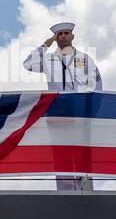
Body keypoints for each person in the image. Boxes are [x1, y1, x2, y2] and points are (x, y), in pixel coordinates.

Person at [23, 21, 102, 190]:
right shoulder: (48, 59)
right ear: (55, 38)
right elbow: (28, 64)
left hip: (81, 113)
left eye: (66, 33)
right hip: (58, 113)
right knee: (61, 153)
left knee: (83, 152)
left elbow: (97, 85)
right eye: (59, 34)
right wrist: (45, 45)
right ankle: (65, 193)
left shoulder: (85, 58)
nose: (63, 36)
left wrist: (93, 110)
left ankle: (86, 189)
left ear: (72, 36)